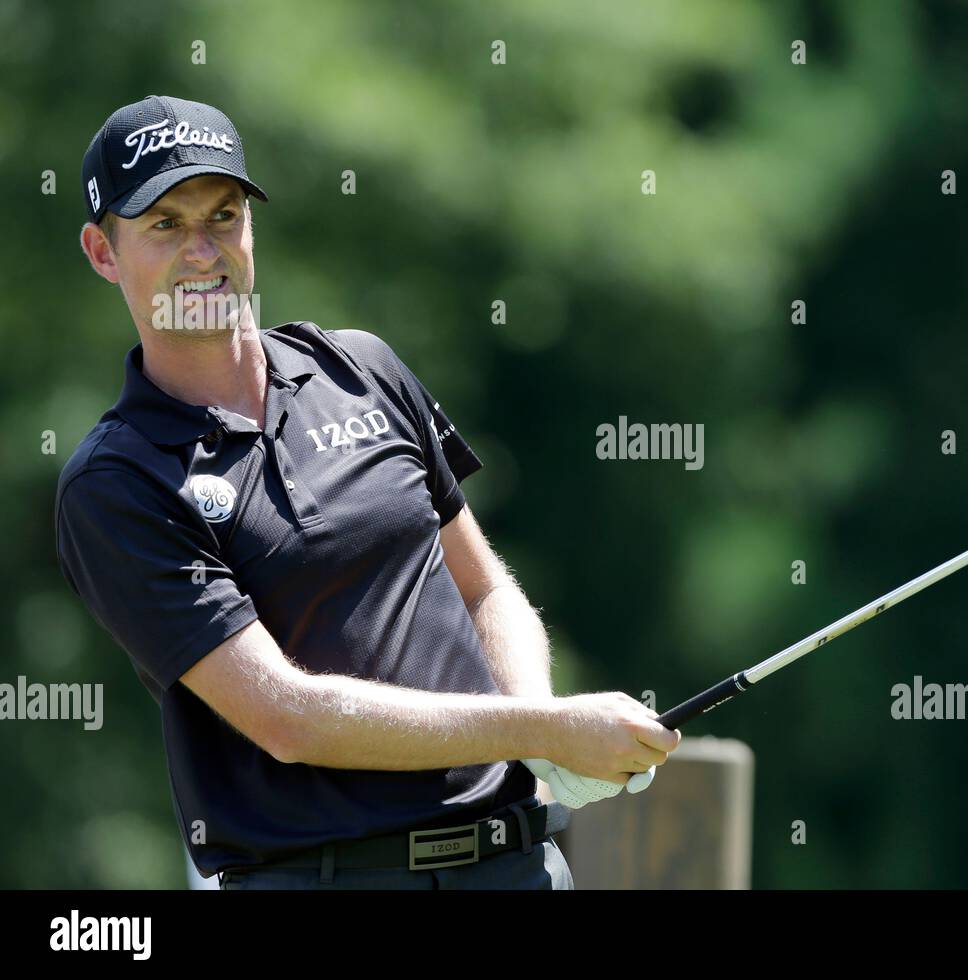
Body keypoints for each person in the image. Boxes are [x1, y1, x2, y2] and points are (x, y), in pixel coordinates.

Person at [56, 95, 680, 890]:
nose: (204, 251)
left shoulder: (360, 368)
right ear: (103, 252)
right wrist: (547, 727)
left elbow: (483, 586)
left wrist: (541, 738)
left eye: (224, 215)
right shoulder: (118, 483)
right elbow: (286, 717)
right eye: (165, 226)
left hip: (519, 868)